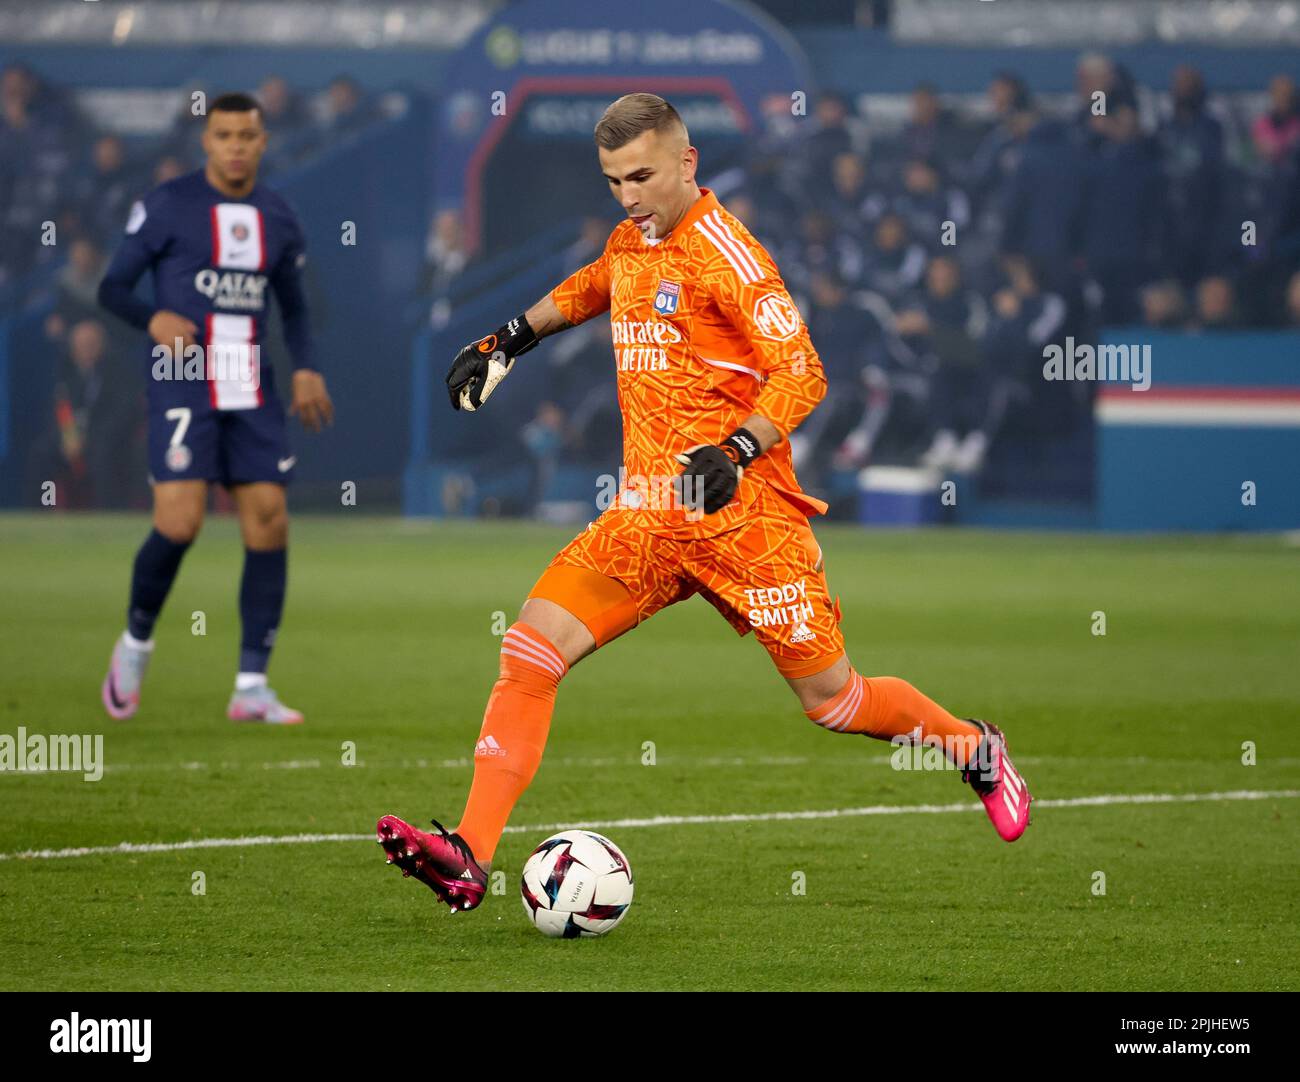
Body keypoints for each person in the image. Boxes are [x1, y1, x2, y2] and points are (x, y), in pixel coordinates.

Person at [376, 93, 1033, 914]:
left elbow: (804, 370)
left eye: (642, 175)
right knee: (531, 650)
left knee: (837, 702)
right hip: (649, 516)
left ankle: (973, 749)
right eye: (614, 180)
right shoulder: (633, 240)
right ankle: (469, 851)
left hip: (746, 517)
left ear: (688, 162)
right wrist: (510, 338)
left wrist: (737, 450)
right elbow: (596, 284)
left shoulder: (732, 254)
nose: (628, 195)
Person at [96, 92, 333, 724]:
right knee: (180, 522)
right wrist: (154, 317)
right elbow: (111, 287)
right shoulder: (168, 205)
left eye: (246, 136)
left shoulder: (278, 217)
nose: (234, 145)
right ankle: (136, 643)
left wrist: (306, 366)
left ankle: (251, 686)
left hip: (250, 382)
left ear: (262, 142)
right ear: (206, 140)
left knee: (269, 519)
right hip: (184, 376)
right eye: (223, 134)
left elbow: (297, 306)